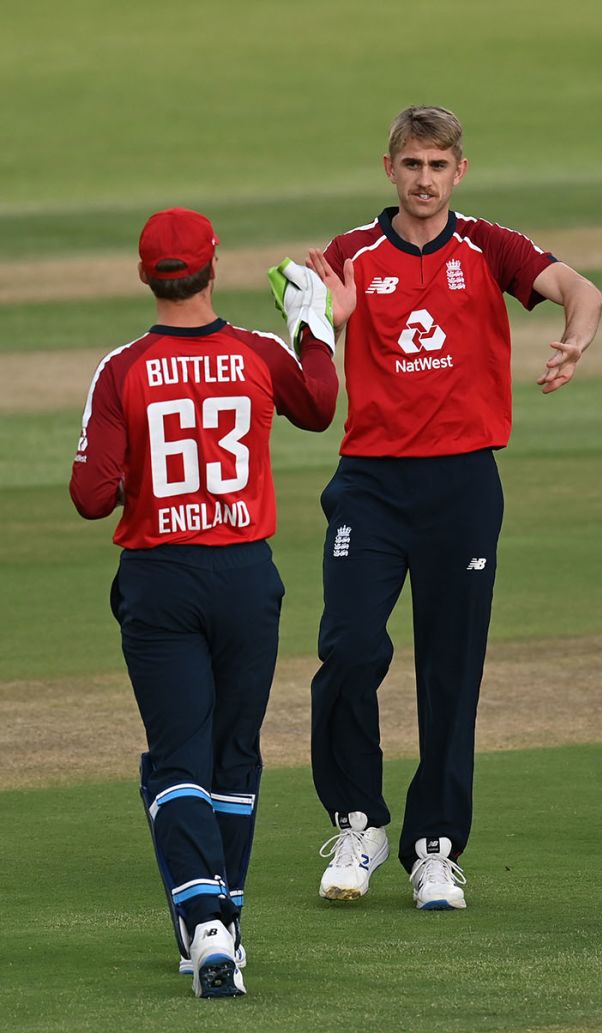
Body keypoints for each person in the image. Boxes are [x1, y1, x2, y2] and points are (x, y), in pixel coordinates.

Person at [309, 106, 602, 911]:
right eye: (412, 165)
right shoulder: (347, 255)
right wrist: (324, 327)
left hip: (463, 485)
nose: (425, 179)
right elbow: (308, 378)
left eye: (439, 165)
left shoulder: (488, 246)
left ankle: (434, 847)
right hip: (369, 482)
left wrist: (575, 337)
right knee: (348, 649)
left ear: (459, 171)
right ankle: (358, 823)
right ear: (389, 168)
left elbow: (581, 289)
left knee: (451, 668)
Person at [69, 208, 342, 996]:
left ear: (145, 275)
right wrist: (313, 325)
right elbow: (320, 406)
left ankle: (208, 924)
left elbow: (91, 495)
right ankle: (222, 920)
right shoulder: (257, 351)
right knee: (234, 753)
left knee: (177, 755)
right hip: (245, 577)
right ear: (213, 269)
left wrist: (142, 478)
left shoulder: (123, 368)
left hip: (161, 579)